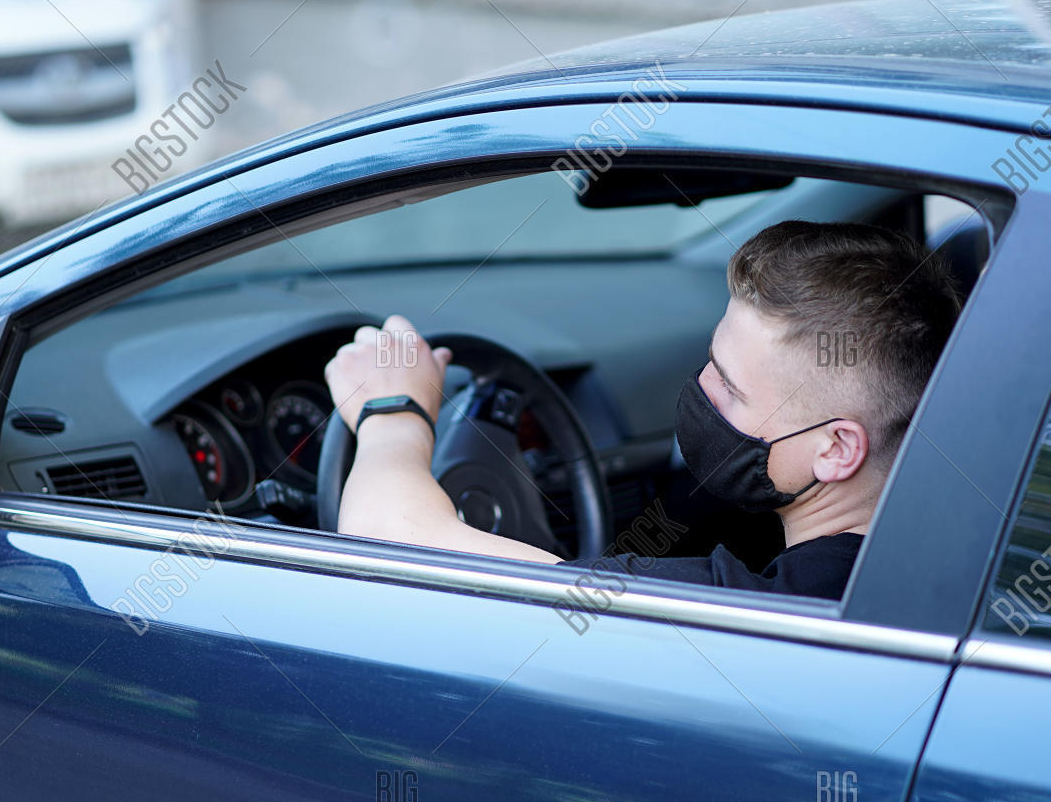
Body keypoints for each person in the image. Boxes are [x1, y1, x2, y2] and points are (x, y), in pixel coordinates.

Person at [322, 220, 963, 599]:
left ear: (837, 449)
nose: (700, 392)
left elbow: (396, 551)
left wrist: (392, 412)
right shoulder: (958, 540)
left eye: (732, 390)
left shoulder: (776, 613)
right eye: (711, 361)